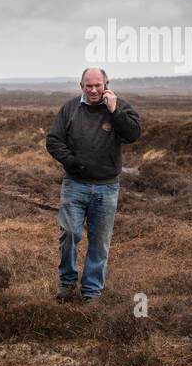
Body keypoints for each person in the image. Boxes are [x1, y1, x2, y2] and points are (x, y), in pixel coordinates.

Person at [44, 67, 142, 302]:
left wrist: (115, 111)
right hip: (75, 185)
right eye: (89, 86)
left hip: (107, 187)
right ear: (81, 86)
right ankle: (67, 284)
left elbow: (132, 135)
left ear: (107, 84)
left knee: (99, 242)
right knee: (69, 234)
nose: (94, 90)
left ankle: (91, 293)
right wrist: (72, 162)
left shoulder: (121, 107)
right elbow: (53, 140)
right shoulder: (70, 109)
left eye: (98, 85)